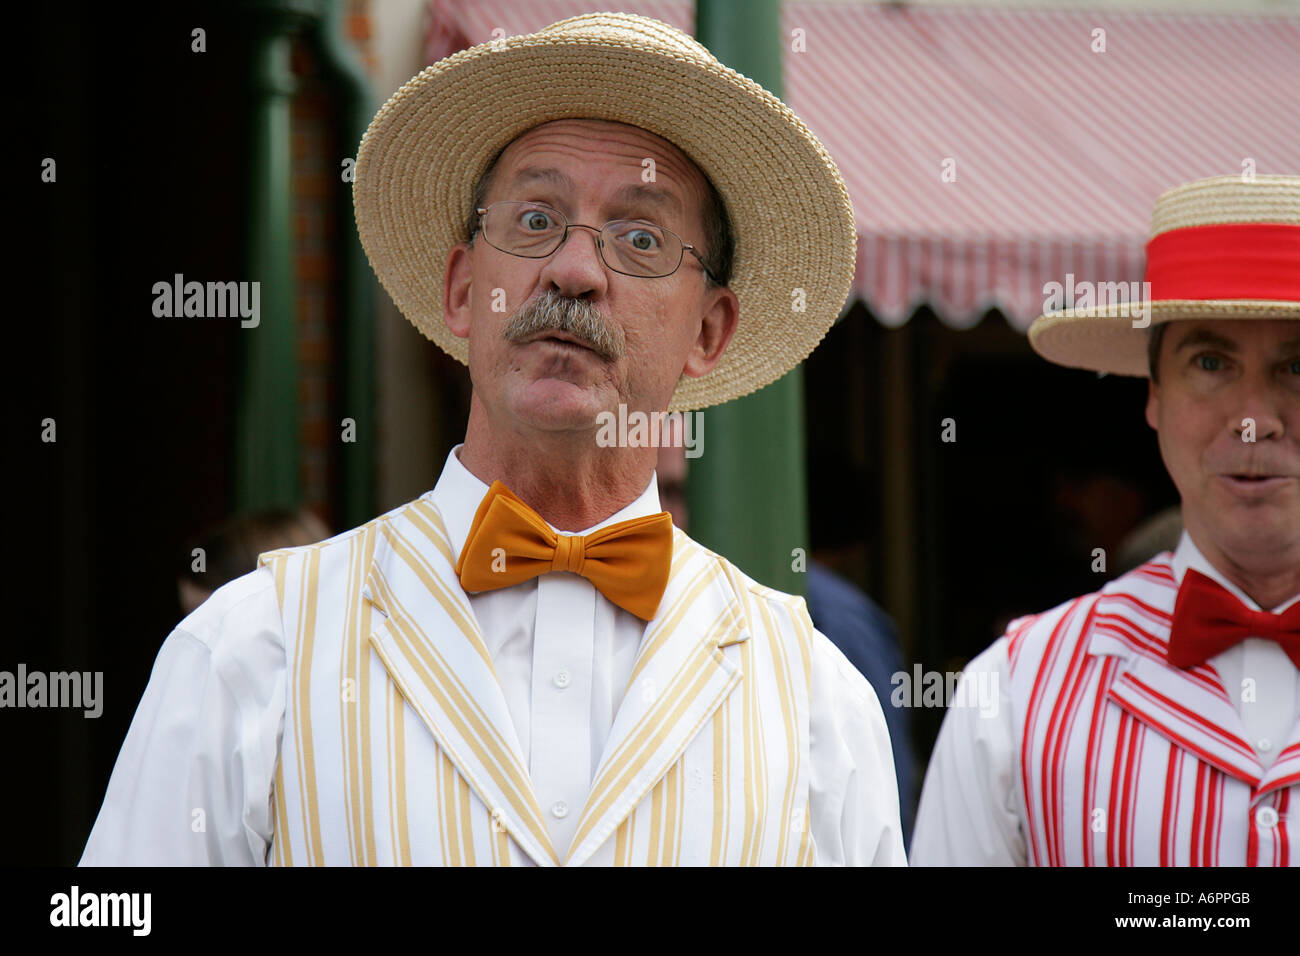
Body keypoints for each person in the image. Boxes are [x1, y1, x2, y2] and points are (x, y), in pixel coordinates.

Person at [80, 13, 905, 867]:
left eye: (641, 237)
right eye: (535, 219)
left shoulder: (817, 703)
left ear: (708, 330)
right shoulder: (253, 649)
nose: (575, 271)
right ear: (465, 289)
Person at [911, 174, 1300, 866]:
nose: (1254, 418)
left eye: (1297, 366)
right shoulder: (1012, 694)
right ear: (1154, 397)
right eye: (1211, 361)